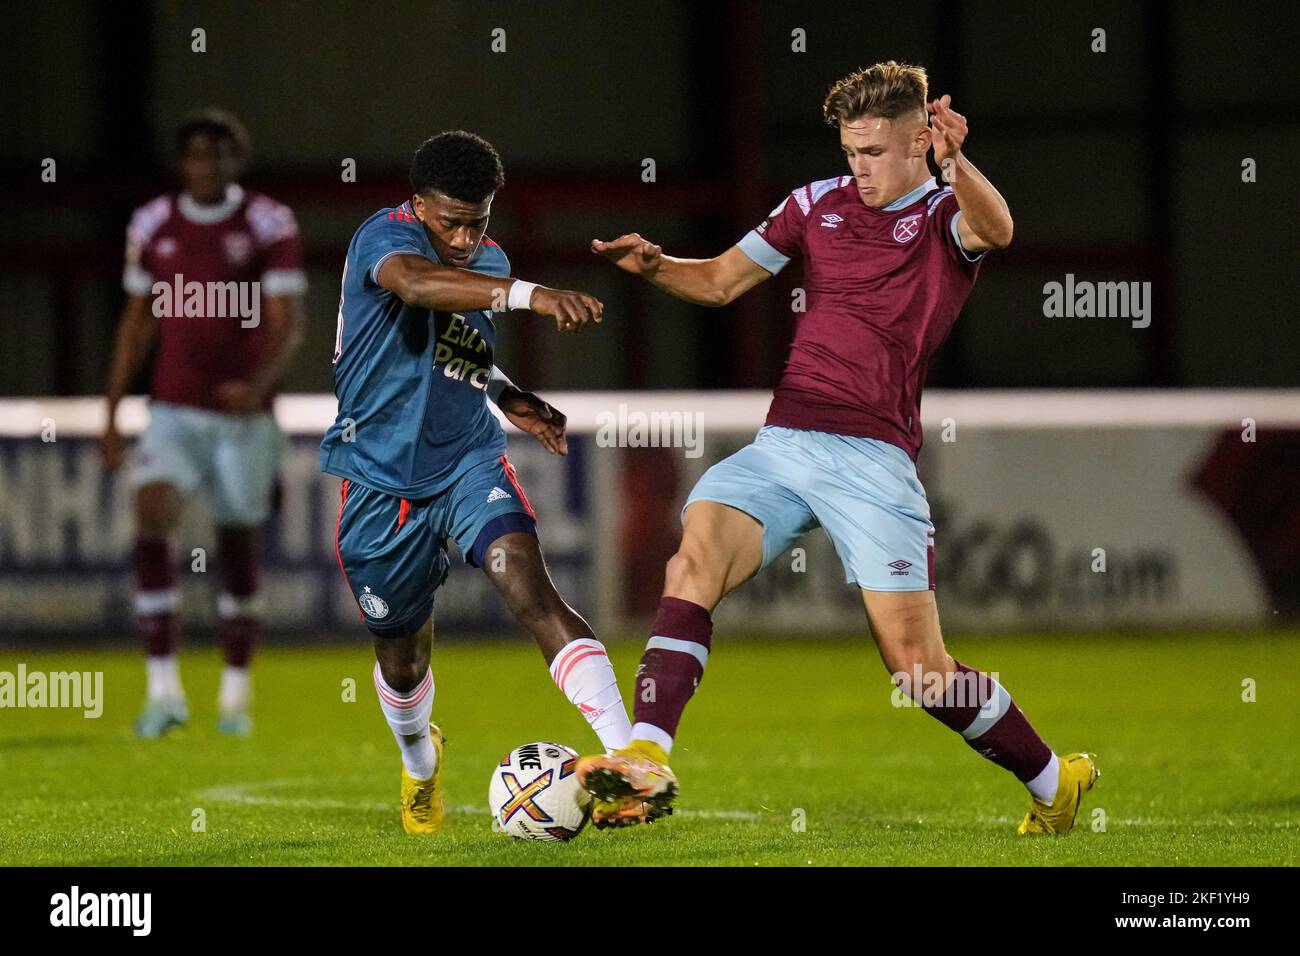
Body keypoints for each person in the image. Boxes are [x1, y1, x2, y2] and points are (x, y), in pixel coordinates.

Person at [580, 62, 1098, 835]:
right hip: (784, 442)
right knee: (692, 560)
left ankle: (1056, 781)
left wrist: (958, 164)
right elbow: (721, 281)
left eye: (874, 152)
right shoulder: (813, 204)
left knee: (920, 674)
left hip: (873, 461)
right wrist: (656, 268)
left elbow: (998, 230)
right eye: (849, 151)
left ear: (921, 141)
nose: (857, 170)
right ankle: (648, 756)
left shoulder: (942, 216)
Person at [321, 130, 650, 834]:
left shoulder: (487, 261)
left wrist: (510, 398)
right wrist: (529, 294)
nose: (468, 238)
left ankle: (632, 764)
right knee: (402, 658)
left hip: (468, 458)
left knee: (527, 584)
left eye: (480, 220)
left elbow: (458, 346)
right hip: (380, 484)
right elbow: (414, 287)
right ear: (417, 206)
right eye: (452, 222)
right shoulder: (384, 241)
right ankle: (419, 764)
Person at [101, 109, 306, 738]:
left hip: (243, 419)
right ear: (181, 163)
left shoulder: (268, 222)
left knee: (237, 542)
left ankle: (234, 697)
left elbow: (288, 320)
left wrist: (259, 387)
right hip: (171, 410)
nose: (205, 165)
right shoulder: (153, 222)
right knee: (151, 518)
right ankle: (163, 691)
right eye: (194, 155)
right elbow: (137, 321)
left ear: (235, 162)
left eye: (217, 155)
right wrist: (111, 410)